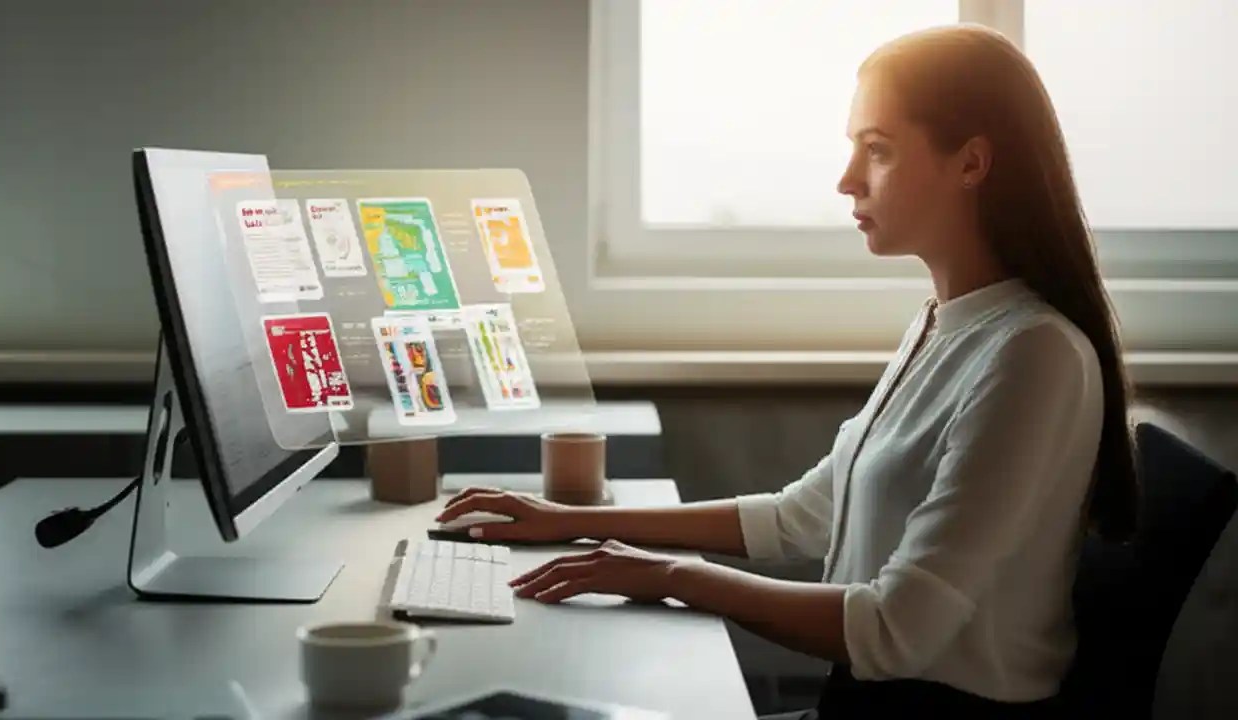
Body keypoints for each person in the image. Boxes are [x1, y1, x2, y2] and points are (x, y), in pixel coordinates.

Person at [436, 23, 1138, 719]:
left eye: (878, 150)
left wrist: (677, 578)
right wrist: (574, 520)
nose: (847, 180)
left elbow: (894, 630)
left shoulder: (1032, 354)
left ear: (971, 163)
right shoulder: (943, 323)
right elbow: (802, 516)